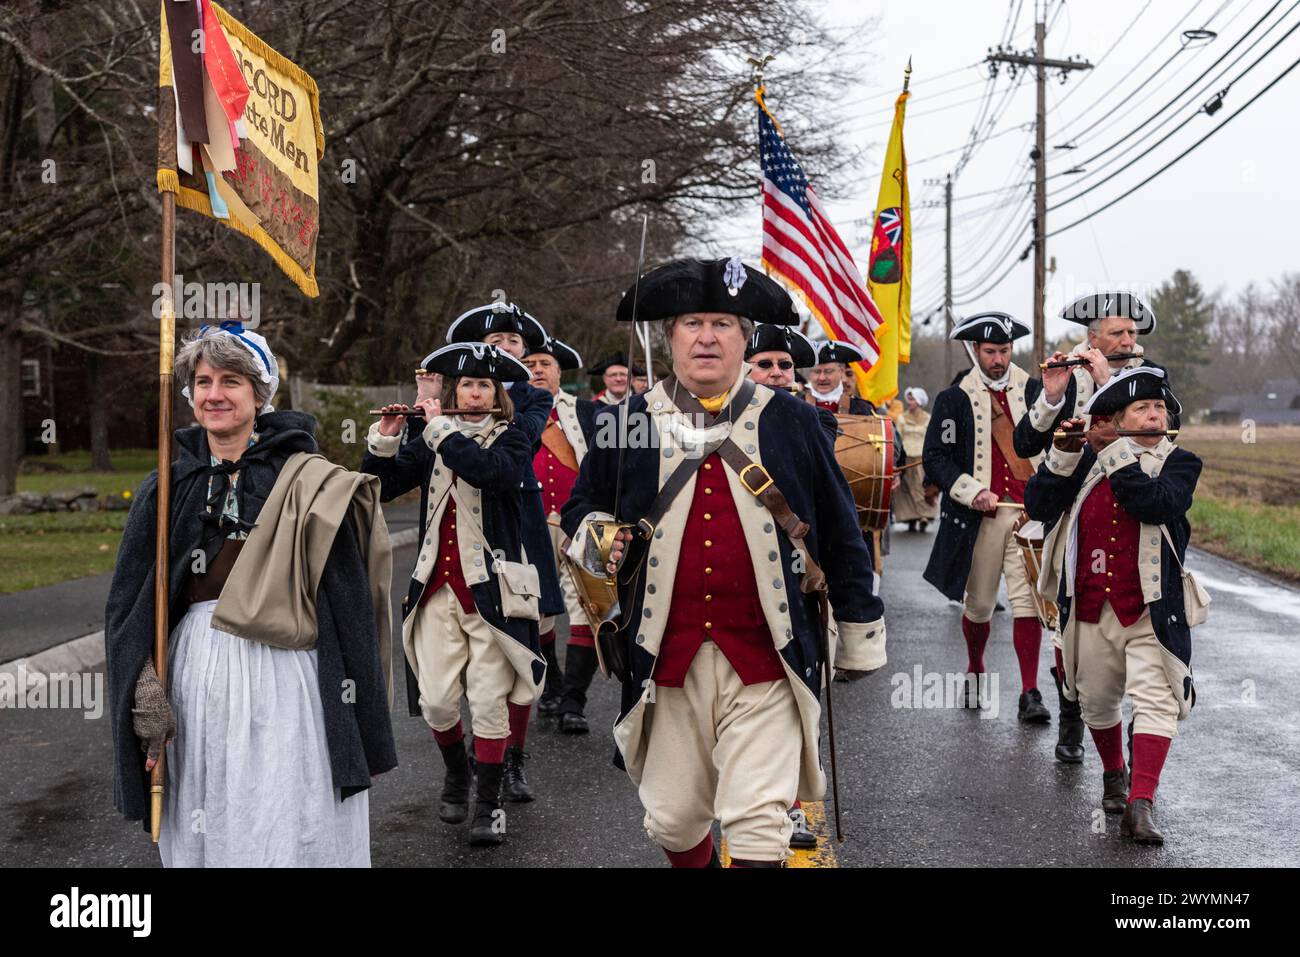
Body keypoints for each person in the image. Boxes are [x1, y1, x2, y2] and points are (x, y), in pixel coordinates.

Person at [561, 257, 885, 867]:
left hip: (768, 653)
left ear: (745, 337)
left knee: (760, 824)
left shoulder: (792, 419)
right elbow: (583, 505)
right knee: (674, 821)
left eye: (723, 323)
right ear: (669, 336)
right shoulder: (625, 422)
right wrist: (599, 532)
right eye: (691, 322)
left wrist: (861, 630)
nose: (706, 336)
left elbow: (841, 529)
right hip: (662, 654)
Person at [105, 322, 397, 866]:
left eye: (231, 381)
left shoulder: (306, 480)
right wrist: (144, 685)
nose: (214, 394)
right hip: (195, 670)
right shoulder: (170, 484)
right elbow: (129, 603)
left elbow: (348, 604)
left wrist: (364, 723)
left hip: (288, 672)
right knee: (208, 800)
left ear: (260, 394)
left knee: (287, 801)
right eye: (203, 381)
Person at [365, 342, 542, 847]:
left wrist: (437, 427)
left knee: (489, 702)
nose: (474, 392)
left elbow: (492, 474)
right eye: (466, 384)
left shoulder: (512, 438)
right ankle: (457, 773)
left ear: (497, 394)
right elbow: (380, 483)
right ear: (455, 389)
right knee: (438, 701)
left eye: (484, 385)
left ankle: (489, 804)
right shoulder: (433, 439)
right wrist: (389, 436)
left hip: (491, 597)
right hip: (436, 590)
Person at [1024, 367, 1201, 845]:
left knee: (1157, 702)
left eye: (1160, 408)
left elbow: (1153, 504)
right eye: (1143, 409)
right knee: (1096, 702)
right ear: (1117, 419)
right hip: (1090, 606)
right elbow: (1038, 505)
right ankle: (1113, 776)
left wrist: (1114, 448)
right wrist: (1064, 451)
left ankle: (1141, 804)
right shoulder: (1086, 461)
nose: (1155, 415)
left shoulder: (1180, 463)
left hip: (1151, 610)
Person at [1015, 293, 1170, 763]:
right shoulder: (1062, 375)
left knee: (1133, 623)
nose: (1129, 341)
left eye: (1133, 334)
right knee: (1069, 622)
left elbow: (1165, 432)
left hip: (1133, 507)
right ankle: (1070, 720)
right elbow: (1027, 440)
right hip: (1075, 511)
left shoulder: (1150, 378)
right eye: (1118, 334)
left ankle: (1129, 737)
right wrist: (1054, 394)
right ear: (1092, 337)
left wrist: (1111, 384)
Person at [444, 303, 563, 801]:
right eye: (494, 344)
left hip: (521, 524)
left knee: (524, 647)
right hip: (464, 533)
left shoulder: (535, 399)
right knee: (469, 664)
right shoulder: (453, 394)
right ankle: (481, 748)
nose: (505, 349)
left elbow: (512, 453)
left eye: (514, 342)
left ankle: (513, 756)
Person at [921, 312, 1050, 722]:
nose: (998, 359)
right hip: (982, 519)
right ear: (975, 351)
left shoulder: (1035, 392)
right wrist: (971, 491)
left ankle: (1030, 691)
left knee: (1028, 604)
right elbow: (936, 458)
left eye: (1005, 351)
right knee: (978, 606)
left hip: (1028, 515)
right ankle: (975, 667)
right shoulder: (953, 399)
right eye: (991, 351)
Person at [518, 318, 600, 733]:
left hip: (579, 524)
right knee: (538, 615)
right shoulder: (509, 412)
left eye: (544, 362)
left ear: (558, 370)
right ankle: (550, 685)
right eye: (528, 361)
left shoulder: (588, 412)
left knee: (587, 613)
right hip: (530, 526)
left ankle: (574, 703)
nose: (536, 369)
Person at [894, 387, 938, 532]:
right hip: (906, 458)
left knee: (921, 487)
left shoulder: (928, 418)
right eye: (909, 399)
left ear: (919, 401)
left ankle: (925, 516)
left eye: (913, 399)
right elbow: (898, 438)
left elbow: (932, 438)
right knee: (905, 489)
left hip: (921, 458)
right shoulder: (902, 418)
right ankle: (910, 517)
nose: (910, 402)